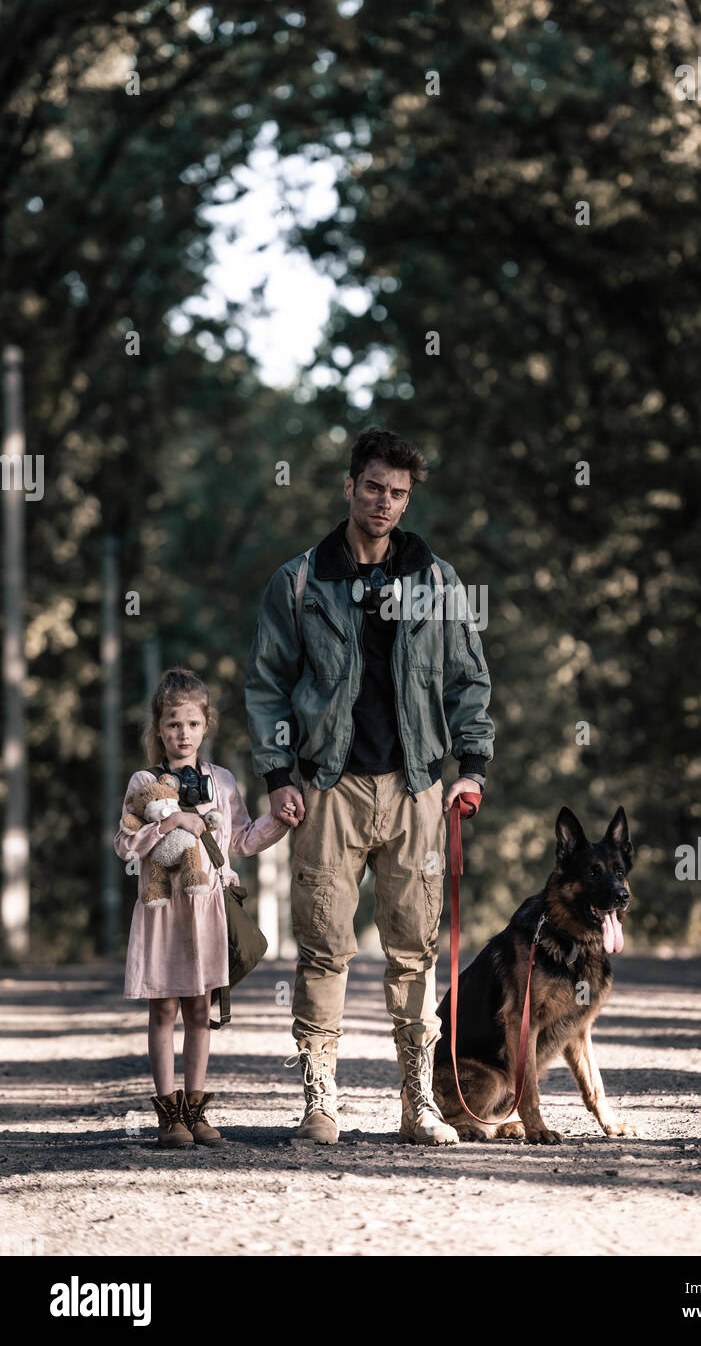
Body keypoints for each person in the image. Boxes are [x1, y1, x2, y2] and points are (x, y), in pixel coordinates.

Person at [245, 427, 494, 1145]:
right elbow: (267, 685)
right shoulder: (297, 582)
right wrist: (276, 776)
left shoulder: (437, 581)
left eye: (398, 493)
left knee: (413, 948)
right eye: (373, 487)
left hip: (416, 787)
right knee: (324, 946)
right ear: (348, 486)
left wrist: (470, 769)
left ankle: (417, 1102)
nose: (384, 502)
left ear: (406, 499)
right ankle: (320, 1098)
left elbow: (468, 679)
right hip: (328, 788)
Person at [118, 667, 288, 1149]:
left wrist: (279, 821)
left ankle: (196, 1111)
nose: (182, 733)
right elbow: (124, 843)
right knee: (162, 1011)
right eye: (173, 724)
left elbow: (241, 839)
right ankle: (167, 1114)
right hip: (163, 912)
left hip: (207, 910)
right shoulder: (144, 781)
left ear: (206, 724)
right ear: (159, 728)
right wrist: (170, 821)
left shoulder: (223, 781)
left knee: (198, 1011)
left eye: (191, 724)